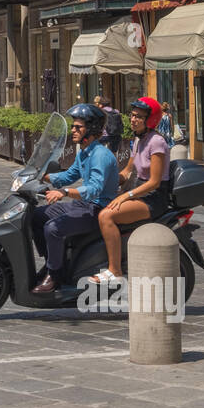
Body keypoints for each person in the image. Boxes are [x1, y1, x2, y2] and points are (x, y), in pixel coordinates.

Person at [29, 103, 120, 293]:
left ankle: (55, 276)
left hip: (96, 210)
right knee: (35, 216)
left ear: (92, 129)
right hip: (81, 205)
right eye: (72, 126)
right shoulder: (85, 152)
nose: (73, 130)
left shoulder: (100, 155)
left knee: (53, 228)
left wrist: (64, 192)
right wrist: (41, 174)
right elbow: (68, 176)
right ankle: (52, 264)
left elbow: (94, 189)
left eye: (78, 127)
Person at [94, 97, 170, 285]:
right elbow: (128, 171)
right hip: (139, 191)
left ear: (150, 120)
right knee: (98, 205)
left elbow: (154, 182)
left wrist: (126, 196)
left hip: (153, 197)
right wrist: (106, 181)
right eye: (132, 115)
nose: (133, 119)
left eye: (139, 117)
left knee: (106, 216)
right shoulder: (138, 139)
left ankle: (115, 270)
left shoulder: (156, 142)